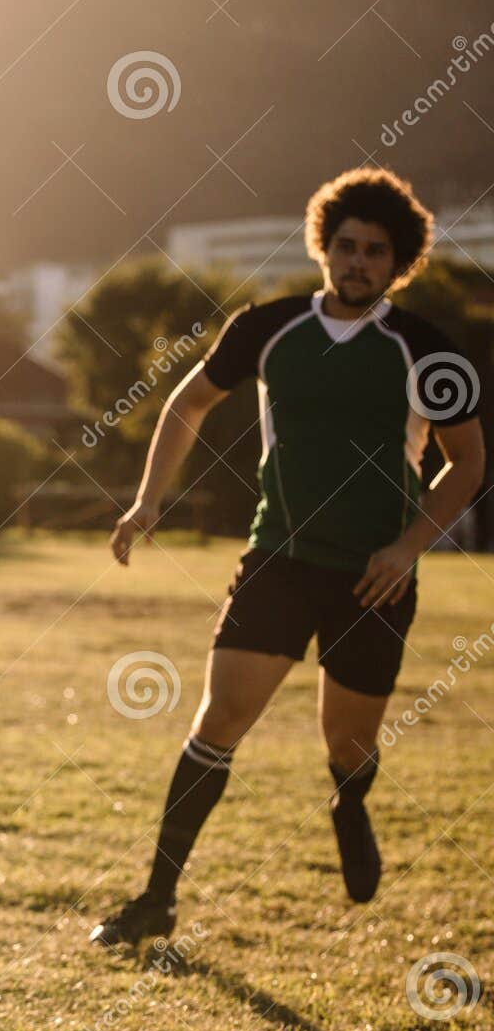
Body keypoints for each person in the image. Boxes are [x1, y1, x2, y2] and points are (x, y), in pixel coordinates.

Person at [90, 168, 486, 947]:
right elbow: (187, 402)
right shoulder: (268, 327)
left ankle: (349, 798)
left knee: (348, 741)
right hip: (280, 556)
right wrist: (147, 499)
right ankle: (156, 898)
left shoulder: (423, 349)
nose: (358, 261)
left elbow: (468, 461)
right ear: (323, 247)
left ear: (399, 262)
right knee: (220, 719)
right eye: (347, 245)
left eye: (376, 251)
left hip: (374, 576)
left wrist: (408, 547)